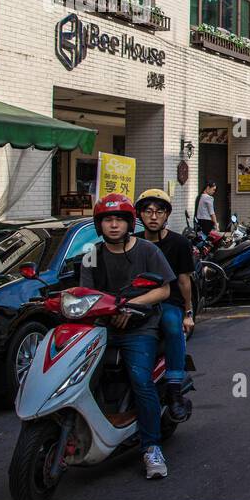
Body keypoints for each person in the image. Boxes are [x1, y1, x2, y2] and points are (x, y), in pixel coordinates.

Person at [81, 194, 176, 480]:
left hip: (140, 328)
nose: (113, 226)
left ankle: (151, 447)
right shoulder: (91, 252)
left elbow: (164, 290)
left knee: (140, 380)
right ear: (100, 225)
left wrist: (132, 305)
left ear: (128, 224)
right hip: (102, 327)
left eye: (119, 220)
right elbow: (86, 292)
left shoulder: (148, 250)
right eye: (107, 220)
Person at [136, 189, 194, 423]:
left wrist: (187, 313)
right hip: (138, 301)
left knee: (172, 325)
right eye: (148, 211)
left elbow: (183, 281)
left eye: (159, 212)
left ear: (166, 215)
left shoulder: (179, 243)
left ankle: (174, 389)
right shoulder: (133, 243)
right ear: (140, 215)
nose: (153, 216)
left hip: (168, 301)